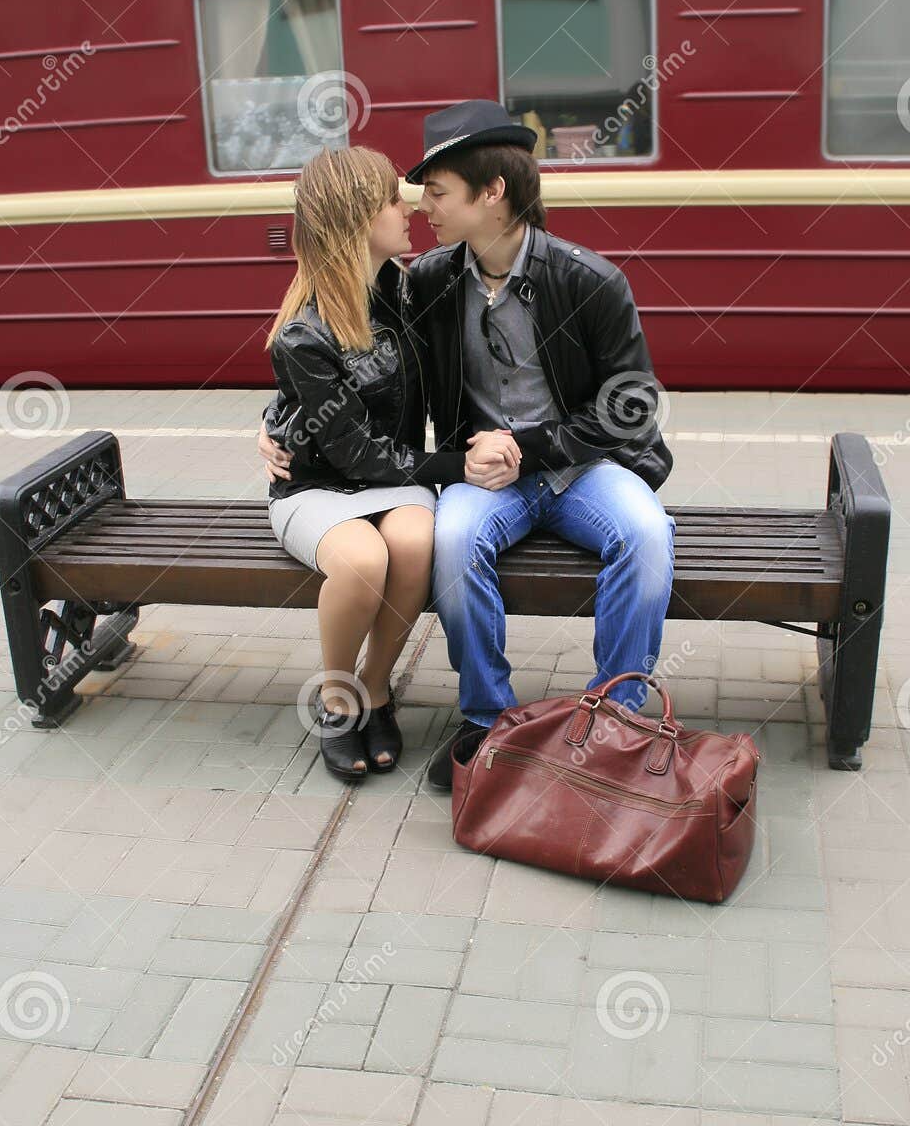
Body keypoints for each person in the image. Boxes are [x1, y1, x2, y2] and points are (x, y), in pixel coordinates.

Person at [261, 101, 676, 792]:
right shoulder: (425, 281)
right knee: (449, 541)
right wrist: (277, 419)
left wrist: (531, 446)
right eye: (413, 196)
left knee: (646, 535)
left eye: (438, 193)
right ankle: (485, 717)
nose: (422, 207)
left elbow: (631, 411)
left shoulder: (589, 281)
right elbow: (324, 333)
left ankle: (617, 716)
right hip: (482, 478)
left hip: (580, 467)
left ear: (493, 193)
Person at [261, 144, 520, 782]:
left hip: (395, 479)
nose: (404, 208)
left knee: (414, 539)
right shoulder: (304, 331)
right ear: (355, 220)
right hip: (317, 485)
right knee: (363, 560)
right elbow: (353, 450)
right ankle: (335, 696)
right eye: (386, 200)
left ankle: (375, 689)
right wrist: (458, 466)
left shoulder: (404, 291)